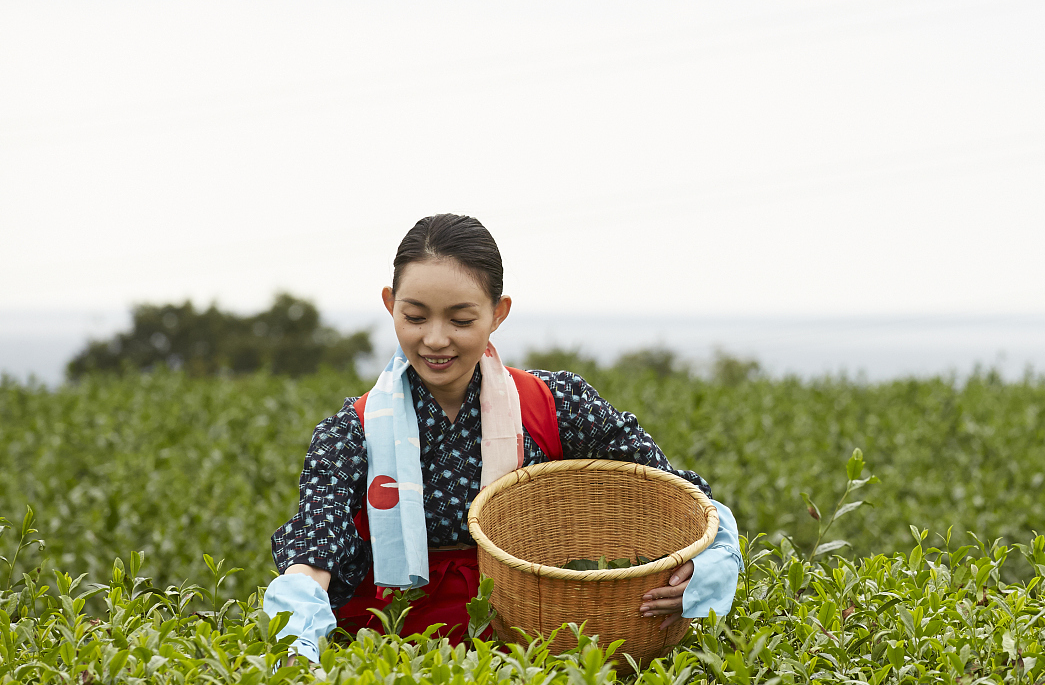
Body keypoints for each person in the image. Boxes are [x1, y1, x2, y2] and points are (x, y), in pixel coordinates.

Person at [262, 213, 741, 661]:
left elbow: (671, 490)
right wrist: (296, 640)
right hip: (388, 642)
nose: (434, 338)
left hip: (529, 639)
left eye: (461, 320)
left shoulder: (554, 404)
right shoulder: (352, 431)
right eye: (414, 316)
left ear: (498, 313)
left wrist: (712, 557)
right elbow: (315, 542)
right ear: (390, 304)